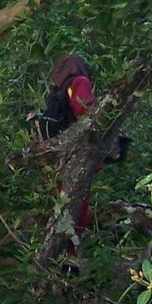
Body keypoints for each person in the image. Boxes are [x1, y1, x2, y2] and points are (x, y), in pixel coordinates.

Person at [48, 53, 96, 245]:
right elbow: (82, 112)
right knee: (78, 200)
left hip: (60, 150)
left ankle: (60, 247)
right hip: (77, 150)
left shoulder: (59, 88)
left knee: (62, 198)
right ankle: (70, 249)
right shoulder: (79, 82)